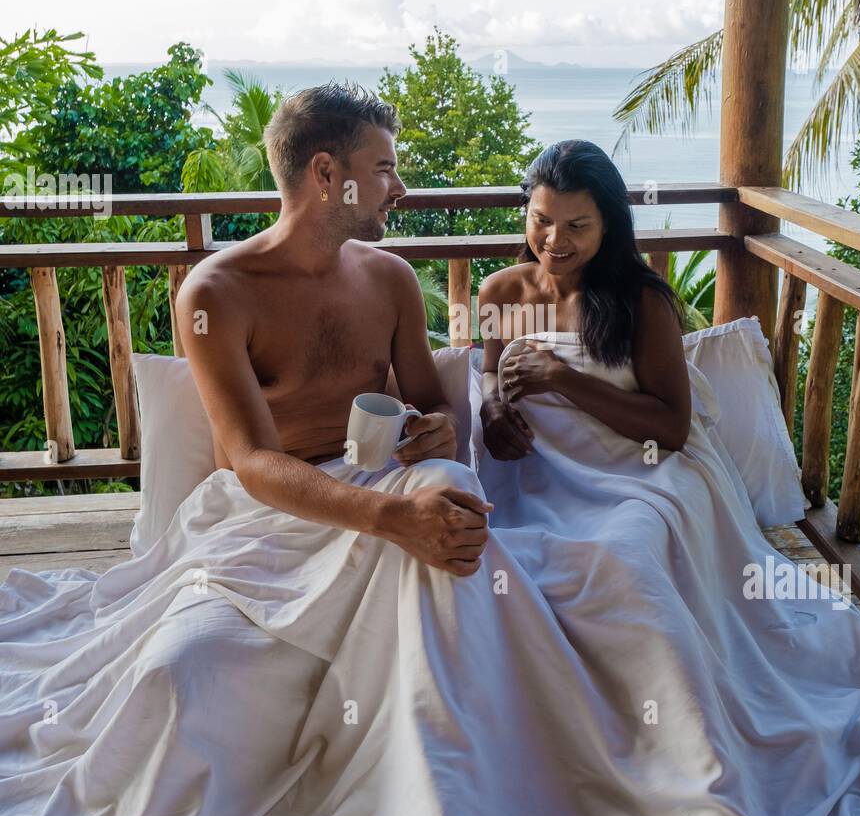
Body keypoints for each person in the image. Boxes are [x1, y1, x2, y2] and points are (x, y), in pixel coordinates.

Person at [176, 81, 491, 578]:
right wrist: (394, 520)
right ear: (326, 172)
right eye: (384, 169)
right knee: (192, 653)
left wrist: (442, 430)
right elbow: (252, 459)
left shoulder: (391, 280)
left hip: (382, 483)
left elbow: (434, 402)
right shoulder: (217, 294)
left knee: (452, 505)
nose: (400, 188)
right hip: (265, 515)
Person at [478, 138, 692, 459]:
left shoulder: (643, 302)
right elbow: (492, 370)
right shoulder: (499, 291)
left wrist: (561, 378)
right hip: (534, 467)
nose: (554, 240)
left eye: (576, 226)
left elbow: (673, 429)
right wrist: (491, 406)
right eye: (542, 220)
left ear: (607, 224)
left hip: (635, 470)